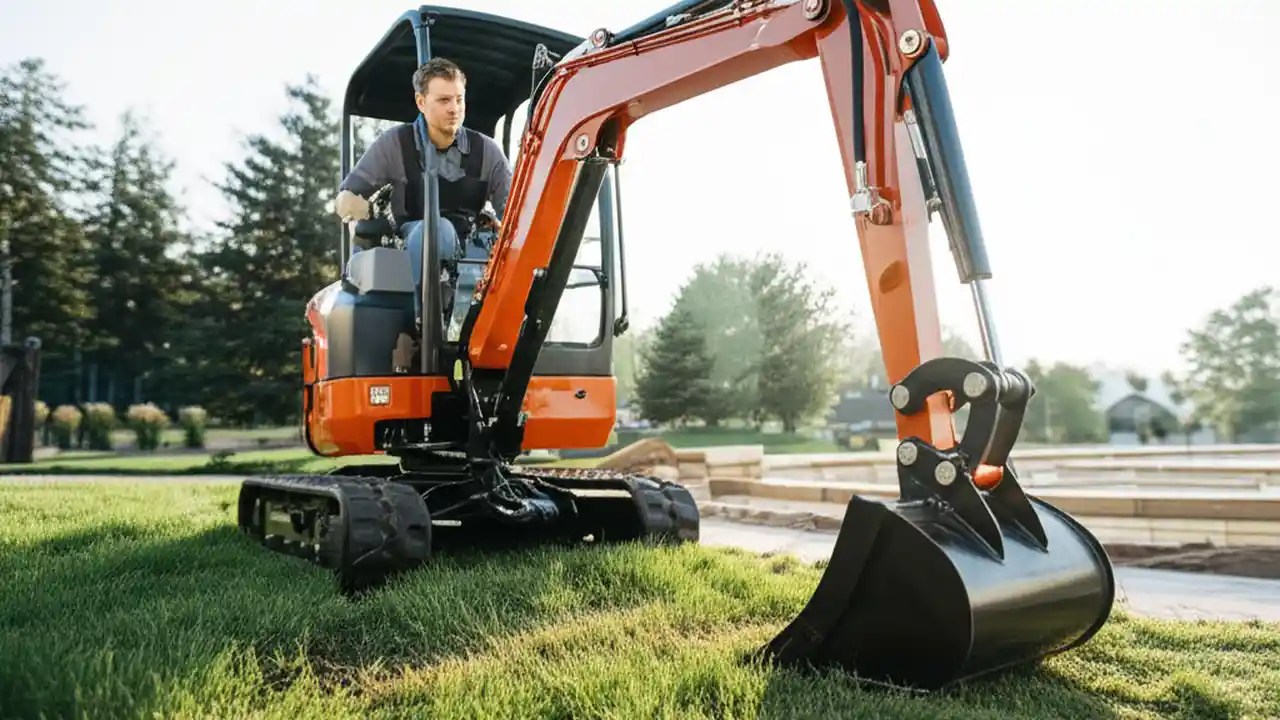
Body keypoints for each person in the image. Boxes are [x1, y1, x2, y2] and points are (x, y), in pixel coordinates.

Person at [334, 57, 512, 329]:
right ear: (421, 102)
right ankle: (426, 324)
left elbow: (515, 214)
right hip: (409, 245)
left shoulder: (487, 151)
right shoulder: (395, 144)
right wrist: (367, 212)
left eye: (459, 100)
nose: (454, 109)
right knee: (437, 231)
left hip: (470, 253)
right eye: (444, 100)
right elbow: (346, 199)